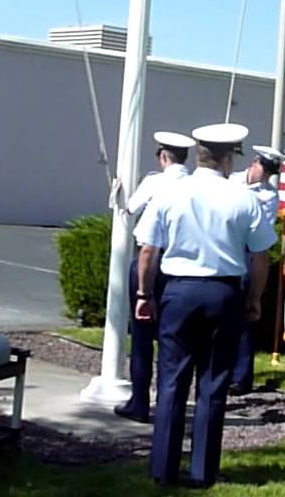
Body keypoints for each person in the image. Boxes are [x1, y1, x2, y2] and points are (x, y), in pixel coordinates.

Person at [132, 123, 276, 488]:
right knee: (213, 385)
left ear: (199, 155)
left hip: (179, 290)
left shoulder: (170, 192)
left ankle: (163, 469)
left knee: (171, 381)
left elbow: (148, 250)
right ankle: (202, 471)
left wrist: (144, 295)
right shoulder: (244, 198)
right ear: (227, 158)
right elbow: (260, 257)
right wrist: (254, 299)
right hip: (223, 293)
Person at [114, 130, 194, 424]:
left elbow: (130, 208)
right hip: (179, 267)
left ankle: (139, 402)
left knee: (142, 339)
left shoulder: (154, 182)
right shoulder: (194, 185)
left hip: (151, 262)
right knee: (172, 340)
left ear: (163, 156)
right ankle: (166, 403)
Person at [229, 145, 283, 395]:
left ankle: (241, 377)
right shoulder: (231, 181)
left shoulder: (269, 196)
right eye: (265, 168)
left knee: (245, 316)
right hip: (224, 251)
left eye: (271, 172)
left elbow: (261, 231)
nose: (266, 175)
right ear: (254, 162)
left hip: (247, 254)